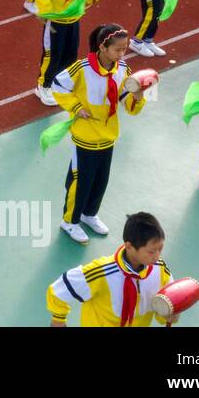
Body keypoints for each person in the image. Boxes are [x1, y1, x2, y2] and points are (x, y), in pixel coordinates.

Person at [50, 24, 149, 244]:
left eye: (125, 49)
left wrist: (138, 97)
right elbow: (58, 85)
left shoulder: (122, 69)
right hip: (85, 138)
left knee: (100, 180)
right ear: (103, 47)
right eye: (118, 49)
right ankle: (70, 221)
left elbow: (126, 101)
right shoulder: (82, 68)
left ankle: (89, 214)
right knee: (80, 182)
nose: (122, 53)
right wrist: (76, 108)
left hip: (108, 137)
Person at [46, 211, 176, 327]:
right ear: (129, 246)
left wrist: (167, 315)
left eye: (160, 248)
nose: (157, 256)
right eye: (151, 251)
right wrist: (58, 320)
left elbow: (166, 302)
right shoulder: (101, 272)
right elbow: (58, 291)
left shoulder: (160, 269)